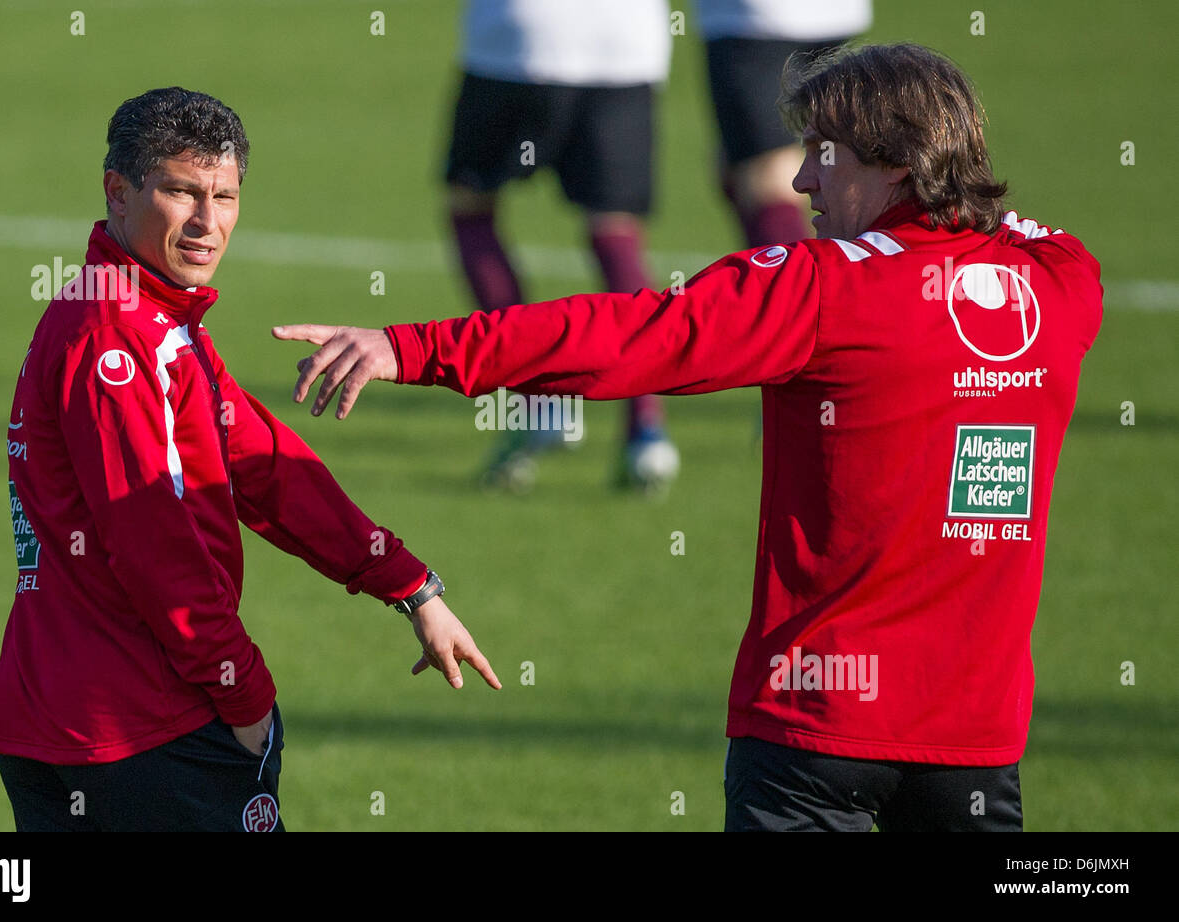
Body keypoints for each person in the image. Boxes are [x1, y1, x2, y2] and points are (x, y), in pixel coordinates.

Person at [273, 44, 1103, 831]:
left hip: (812, 733)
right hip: (976, 747)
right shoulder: (1061, 285)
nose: (804, 178)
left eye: (824, 151)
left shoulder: (823, 288)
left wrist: (412, 347)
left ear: (894, 160)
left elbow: (621, 337)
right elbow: (1020, 237)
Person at [0, 87, 500, 833]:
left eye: (224, 196)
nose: (207, 223)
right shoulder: (118, 342)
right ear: (118, 191)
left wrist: (410, 586)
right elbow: (155, 549)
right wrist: (247, 697)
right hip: (143, 730)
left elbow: (263, 468)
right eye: (180, 192)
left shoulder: (149, 321)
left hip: (58, 720)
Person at [444, 0, 679, 492]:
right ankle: (647, 433)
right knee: (615, 229)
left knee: (470, 206)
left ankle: (538, 399)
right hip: (624, 40)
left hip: (518, 40)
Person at [699, 0, 871, 248]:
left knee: (766, 173)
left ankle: (803, 285)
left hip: (753, 21)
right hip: (837, 16)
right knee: (738, 165)